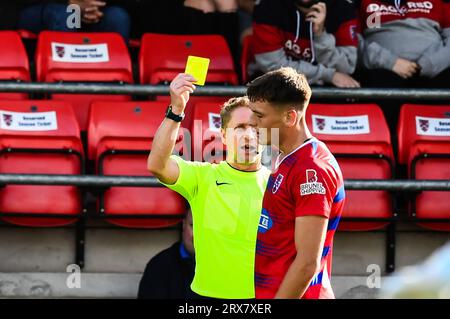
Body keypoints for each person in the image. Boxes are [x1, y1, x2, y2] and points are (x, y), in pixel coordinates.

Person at [147, 73, 270, 299]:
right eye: (240, 127)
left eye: (256, 128)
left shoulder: (278, 184)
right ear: (223, 136)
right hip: (204, 299)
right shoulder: (202, 176)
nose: (249, 135)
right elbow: (157, 164)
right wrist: (176, 109)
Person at [247, 67, 345, 299]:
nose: (252, 123)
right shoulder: (283, 155)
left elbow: (307, 263)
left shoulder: (311, 170)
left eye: (259, 116)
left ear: (290, 117)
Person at [249, 0, 360, 87]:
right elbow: (271, 66)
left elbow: (347, 68)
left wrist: (320, 35)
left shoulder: (344, 7)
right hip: (280, 85)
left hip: (328, 86)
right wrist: (328, 75)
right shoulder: (267, 5)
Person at [137, 210, 195, 299]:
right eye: (193, 226)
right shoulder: (159, 266)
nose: (199, 235)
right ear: (183, 225)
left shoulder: (223, 268)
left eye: (205, 228)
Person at [18, 0, 130, 42]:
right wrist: (72, 3)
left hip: (91, 11)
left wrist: (92, 6)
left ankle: (112, 84)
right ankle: (66, 82)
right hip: (39, 7)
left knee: (117, 17)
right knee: (68, 14)